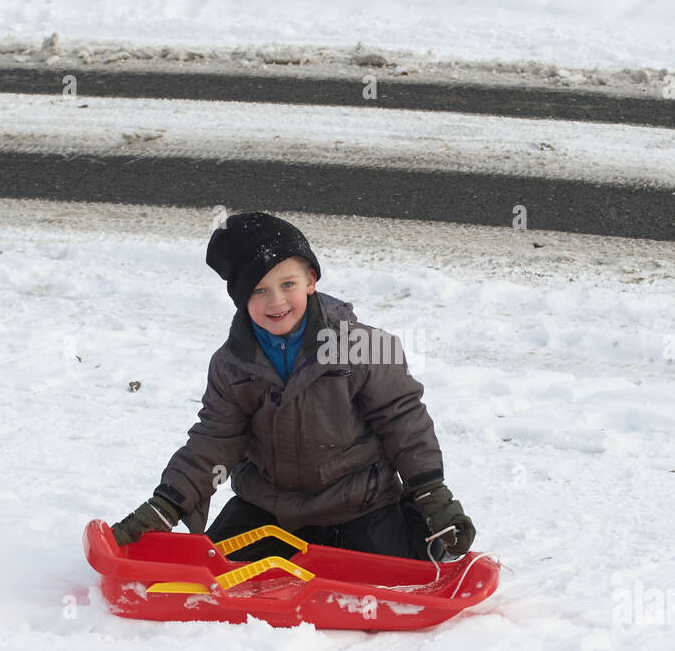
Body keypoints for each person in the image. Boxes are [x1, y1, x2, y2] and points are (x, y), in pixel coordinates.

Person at [111, 211, 475, 562]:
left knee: (406, 572)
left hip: (361, 505)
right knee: (211, 567)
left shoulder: (365, 346)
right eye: (259, 290)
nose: (276, 301)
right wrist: (166, 505)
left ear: (311, 280)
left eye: (288, 284)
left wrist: (432, 493)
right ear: (241, 300)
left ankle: (422, 531)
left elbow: (403, 422)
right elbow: (214, 441)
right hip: (271, 509)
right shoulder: (232, 365)